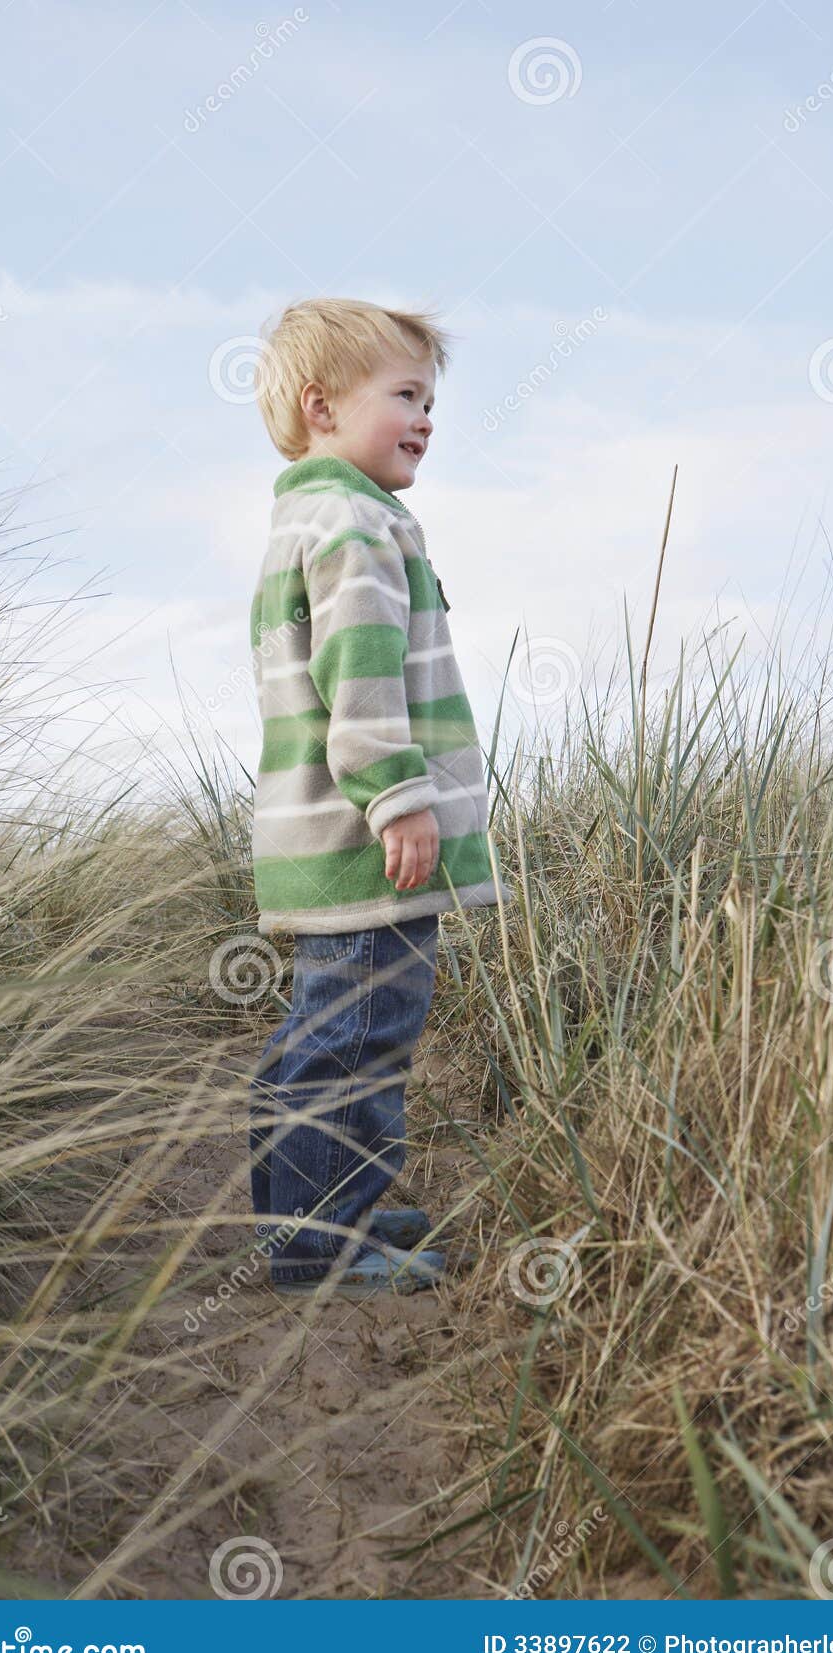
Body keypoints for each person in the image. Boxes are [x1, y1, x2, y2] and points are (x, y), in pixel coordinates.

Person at [246, 296, 512, 1296]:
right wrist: (398, 798)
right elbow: (359, 679)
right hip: (368, 835)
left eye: (429, 398)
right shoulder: (356, 524)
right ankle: (321, 1247)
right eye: (404, 394)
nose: (426, 417)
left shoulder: (307, 517)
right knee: (357, 1041)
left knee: (319, 1036)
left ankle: (311, 1211)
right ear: (321, 406)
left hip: (324, 833)